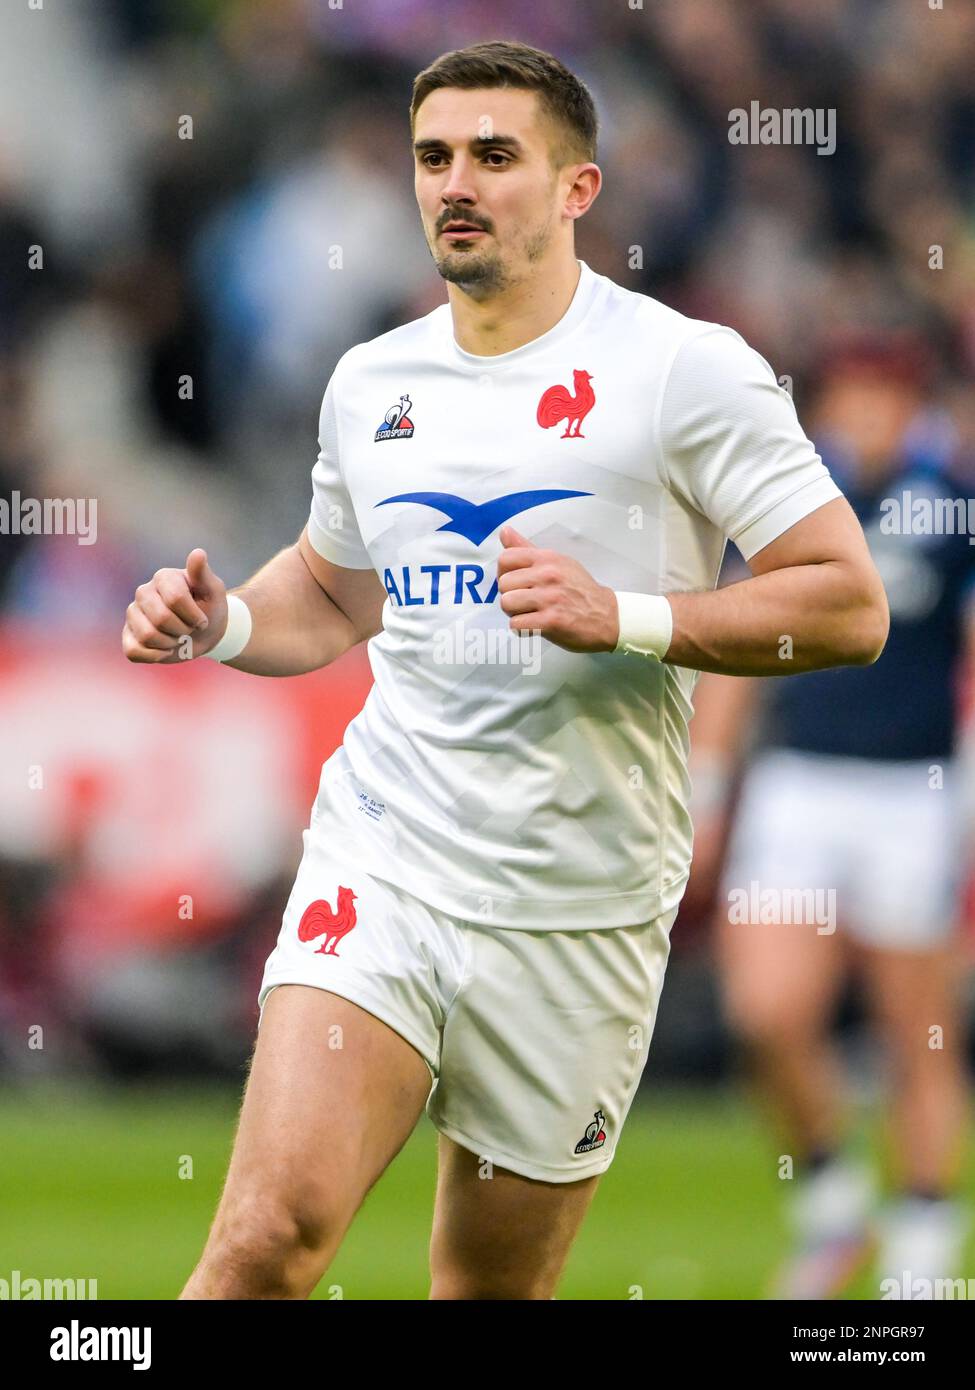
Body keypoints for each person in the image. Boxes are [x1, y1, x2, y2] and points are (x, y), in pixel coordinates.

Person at [122, 41, 888, 1300]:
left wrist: (629, 617)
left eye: (494, 155)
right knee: (265, 1238)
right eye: (434, 157)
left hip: (580, 904)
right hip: (391, 856)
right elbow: (333, 589)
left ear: (579, 187)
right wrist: (226, 625)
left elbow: (848, 603)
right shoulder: (374, 384)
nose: (455, 183)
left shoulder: (683, 370)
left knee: (486, 1289)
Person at [689, 338, 975, 1298]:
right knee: (766, 1012)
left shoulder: (952, 510)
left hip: (912, 789)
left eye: (879, 398)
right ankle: (831, 1195)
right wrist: (706, 791)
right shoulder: (796, 504)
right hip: (800, 783)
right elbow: (734, 636)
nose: (861, 417)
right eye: (847, 399)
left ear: (911, 405)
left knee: (914, 1026)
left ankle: (925, 1230)